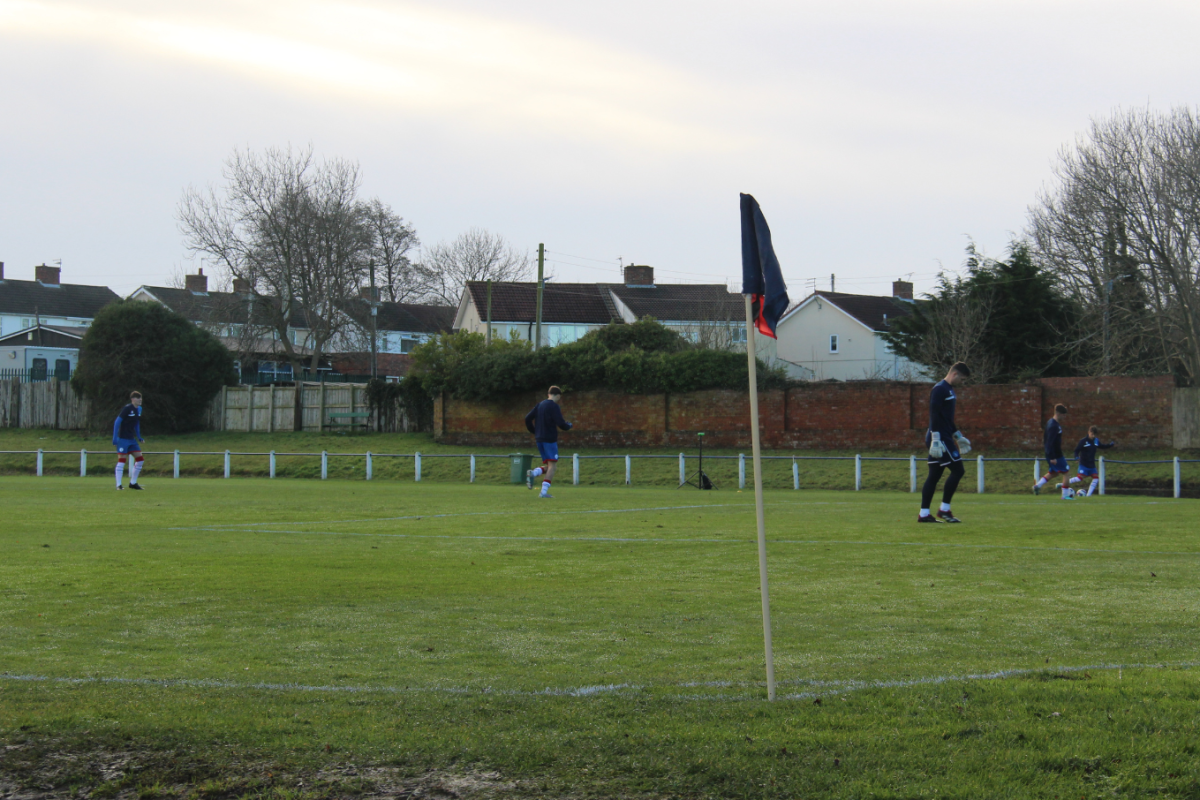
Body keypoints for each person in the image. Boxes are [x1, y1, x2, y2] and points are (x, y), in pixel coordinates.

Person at [919, 362, 972, 523]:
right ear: (955, 374)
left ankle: (924, 514)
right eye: (962, 379)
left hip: (944, 436)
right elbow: (933, 414)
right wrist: (935, 438)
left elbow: (946, 418)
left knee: (934, 475)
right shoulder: (940, 389)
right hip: (940, 438)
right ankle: (944, 510)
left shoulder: (949, 390)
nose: (962, 383)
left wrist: (957, 435)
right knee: (958, 470)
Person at [524, 386, 573, 499]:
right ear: (558, 395)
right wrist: (568, 426)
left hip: (539, 439)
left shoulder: (540, 405)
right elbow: (561, 423)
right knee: (553, 466)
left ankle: (533, 473)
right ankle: (543, 492)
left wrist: (534, 431)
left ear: (548, 394)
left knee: (549, 466)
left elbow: (527, 418)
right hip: (549, 439)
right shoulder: (554, 406)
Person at [1033, 404, 1071, 498]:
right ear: (1058, 413)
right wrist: (1053, 456)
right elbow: (1050, 442)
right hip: (1056, 454)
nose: (1064, 416)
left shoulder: (1051, 422)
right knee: (1066, 472)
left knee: (1054, 473)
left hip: (1052, 453)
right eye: (1063, 414)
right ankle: (1065, 496)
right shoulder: (1053, 425)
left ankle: (1038, 485)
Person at [113, 391, 145, 491]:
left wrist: (139, 437)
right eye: (138, 398)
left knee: (140, 460)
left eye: (141, 398)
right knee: (122, 461)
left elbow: (136, 423)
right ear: (133, 399)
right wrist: (115, 437)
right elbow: (117, 422)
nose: (140, 400)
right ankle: (119, 485)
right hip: (123, 439)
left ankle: (133, 483)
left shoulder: (139, 409)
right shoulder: (127, 409)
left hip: (132, 440)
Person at [1071, 425, 1116, 498]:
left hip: (1091, 465)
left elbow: (1102, 446)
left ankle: (1088, 495)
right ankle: (1064, 483)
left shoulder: (1096, 440)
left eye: (1094, 434)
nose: (1093, 436)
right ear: (1088, 432)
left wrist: (1110, 445)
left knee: (1095, 478)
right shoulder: (1083, 441)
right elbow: (1076, 450)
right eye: (1092, 434)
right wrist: (1076, 457)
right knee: (1080, 478)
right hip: (1083, 464)